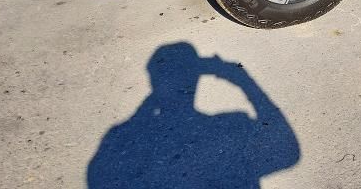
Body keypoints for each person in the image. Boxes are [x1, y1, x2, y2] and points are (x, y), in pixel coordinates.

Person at [88, 42, 299, 188]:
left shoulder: (119, 139)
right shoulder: (231, 126)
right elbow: (289, 151)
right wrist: (241, 78)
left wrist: (154, 100)